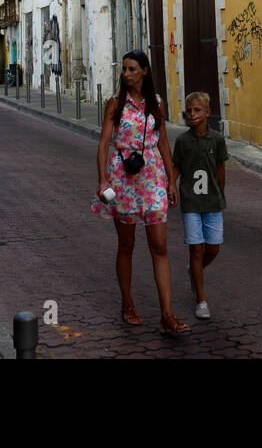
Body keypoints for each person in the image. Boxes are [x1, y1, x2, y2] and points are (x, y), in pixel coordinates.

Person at [92, 50, 189, 335]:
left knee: (159, 246)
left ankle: (167, 315)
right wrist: (101, 181)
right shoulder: (115, 104)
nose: (126, 74)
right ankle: (127, 303)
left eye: (132, 69)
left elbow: (164, 145)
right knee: (127, 245)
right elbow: (104, 143)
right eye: (124, 69)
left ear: (145, 71)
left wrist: (172, 181)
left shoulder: (156, 103)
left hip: (153, 177)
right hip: (122, 178)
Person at [171, 91, 227, 320]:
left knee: (213, 248)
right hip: (191, 202)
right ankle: (201, 299)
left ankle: (194, 273)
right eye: (189, 110)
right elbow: (177, 167)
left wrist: (221, 194)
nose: (192, 114)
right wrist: (170, 187)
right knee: (196, 248)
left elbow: (220, 170)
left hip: (212, 201)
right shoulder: (183, 140)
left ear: (207, 113)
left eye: (197, 110)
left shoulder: (217, 139)